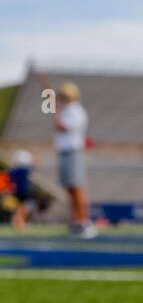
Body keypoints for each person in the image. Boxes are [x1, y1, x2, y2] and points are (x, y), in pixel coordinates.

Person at [52, 81, 95, 239]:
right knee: (70, 189)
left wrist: (55, 113)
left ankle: (83, 221)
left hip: (73, 152)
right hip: (65, 153)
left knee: (77, 188)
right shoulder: (66, 110)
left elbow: (62, 127)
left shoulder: (75, 111)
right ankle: (75, 221)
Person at [2, 150, 34, 229]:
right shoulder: (23, 170)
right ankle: (19, 223)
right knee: (21, 209)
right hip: (22, 193)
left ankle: (18, 222)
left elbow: (9, 178)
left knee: (19, 209)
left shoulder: (15, 171)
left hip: (17, 192)